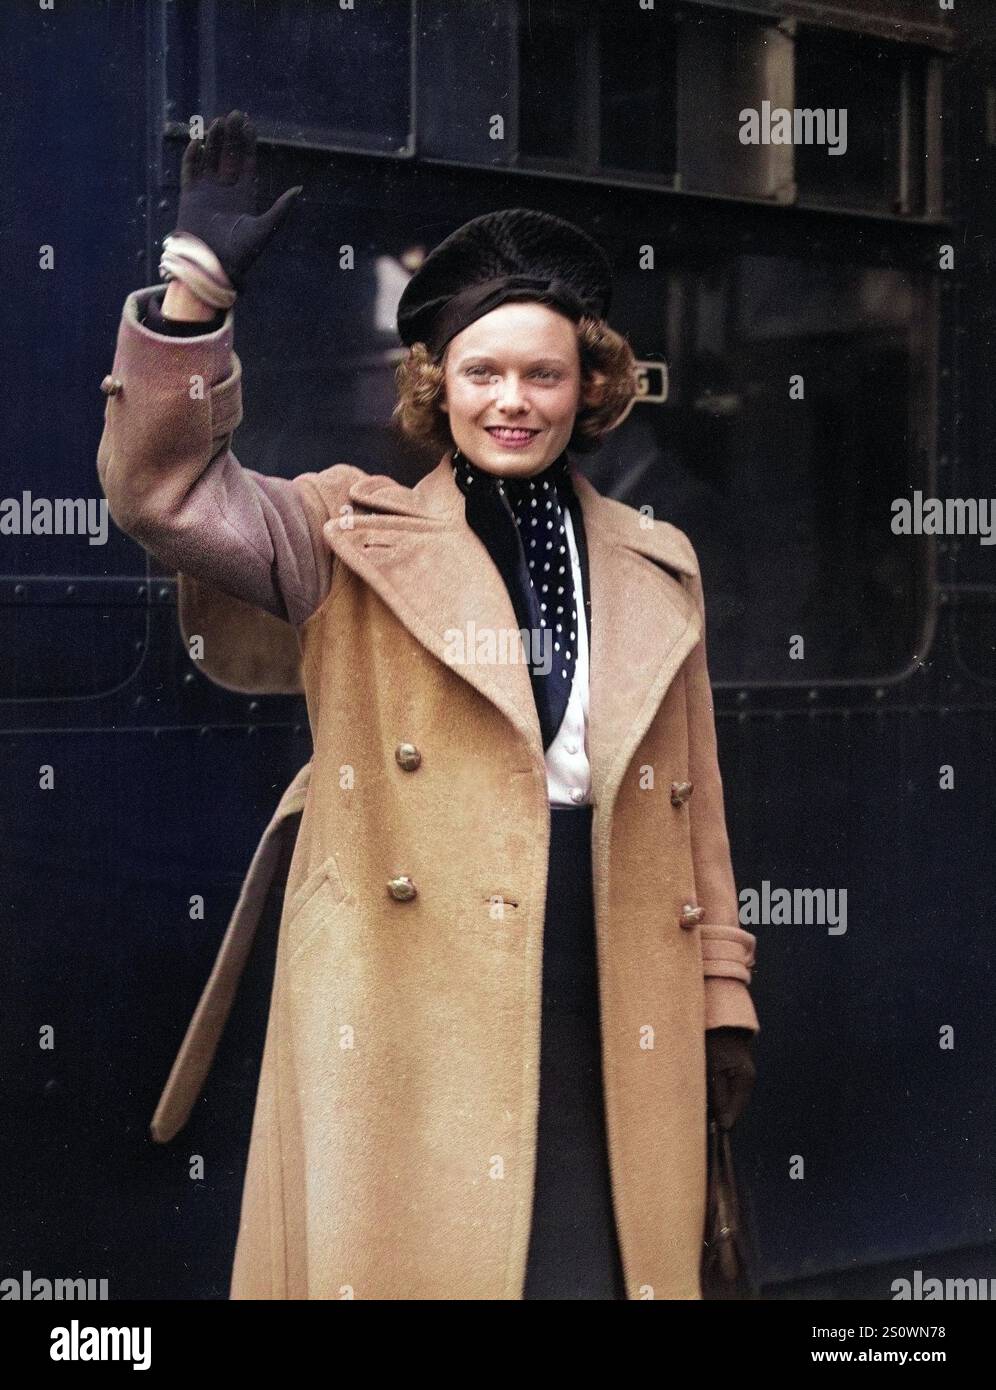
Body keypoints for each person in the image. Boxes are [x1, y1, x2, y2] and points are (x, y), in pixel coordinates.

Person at [97, 110, 759, 1300]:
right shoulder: (346, 531)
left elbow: (690, 802)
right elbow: (162, 490)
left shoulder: (661, 560)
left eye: (543, 374)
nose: (514, 401)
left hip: (610, 976)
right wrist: (192, 296)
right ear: (436, 385)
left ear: (590, 386)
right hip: (413, 1003)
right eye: (483, 372)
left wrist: (721, 991)